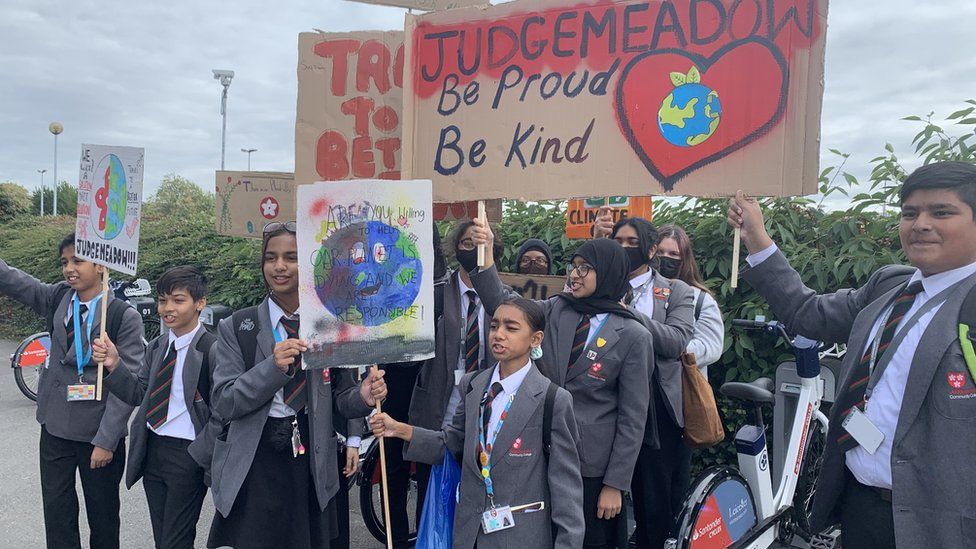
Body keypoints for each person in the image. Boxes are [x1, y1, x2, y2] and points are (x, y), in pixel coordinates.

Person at [727, 161, 976, 549]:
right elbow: (808, 314)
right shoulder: (889, 286)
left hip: (943, 526)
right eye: (910, 213)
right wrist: (756, 237)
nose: (921, 224)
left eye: (942, 212)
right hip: (862, 507)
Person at [469, 221, 653, 549]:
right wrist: (486, 260)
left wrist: (615, 484)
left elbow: (633, 418)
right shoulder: (556, 308)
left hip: (591, 466)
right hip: (541, 451)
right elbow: (505, 303)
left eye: (585, 268)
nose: (575, 275)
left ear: (608, 273)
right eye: (573, 266)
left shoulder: (634, 335)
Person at [206, 221, 388, 549]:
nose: (279, 266)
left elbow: (341, 400)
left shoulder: (329, 325)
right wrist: (272, 369)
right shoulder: (238, 326)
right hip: (255, 461)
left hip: (311, 459)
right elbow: (224, 401)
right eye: (271, 257)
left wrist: (362, 397)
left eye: (291, 257)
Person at [371, 297, 585, 548]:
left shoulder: (552, 400)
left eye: (511, 328)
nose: (499, 334)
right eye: (494, 326)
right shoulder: (473, 386)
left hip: (522, 537)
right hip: (469, 534)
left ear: (535, 339)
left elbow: (566, 490)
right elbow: (451, 444)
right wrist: (400, 429)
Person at [0, 233, 145, 549]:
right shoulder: (58, 297)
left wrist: (107, 441)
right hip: (54, 429)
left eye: (77, 260)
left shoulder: (122, 316)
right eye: (64, 262)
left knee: (103, 518)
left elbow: (128, 390)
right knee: (58, 514)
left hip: (97, 435)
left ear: (101, 265)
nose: (69, 269)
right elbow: (17, 282)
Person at [92, 265, 219, 549]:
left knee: (176, 540)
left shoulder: (212, 349)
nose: (167, 308)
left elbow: (222, 411)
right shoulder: (157, 346)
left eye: (178, 300)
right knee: (162, 538)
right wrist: (114, 363)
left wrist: (201, 452)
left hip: (189, 454)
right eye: (163, 300)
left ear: (200, 303)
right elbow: (139, 393)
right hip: (153, 449)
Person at [596, 215, 695, 549]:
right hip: (608, 402)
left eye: (632, 242)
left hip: (657, 410)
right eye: (618, 242)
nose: (624, 248)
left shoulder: (676, 291)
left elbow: (676, 341)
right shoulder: (600, 284)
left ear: (651, 250)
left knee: (655, 502)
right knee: (602, 497)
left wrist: (629, 313)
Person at [407, 220, 504, 513]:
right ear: (455, 249)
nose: (472, 249)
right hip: (441, 411)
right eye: (466, 243)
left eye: (480, 243)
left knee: (480, 499)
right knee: (434, 504)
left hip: (486, 414)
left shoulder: (505, 301)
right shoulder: (433, 295)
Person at [379, 224, 449, 547]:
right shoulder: (384, 277)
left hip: (430, 385)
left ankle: (425, 539)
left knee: (426, 469)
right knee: (391, 468)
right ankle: (395, 540)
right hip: (391, 384)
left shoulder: (446, 284)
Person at [656, 224, 725, 376]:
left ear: (684, 259)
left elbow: (711, 346)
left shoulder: (701, 300)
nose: (665, 258)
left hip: (682, 382)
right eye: (660, 252)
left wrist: (666, 349)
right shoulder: (636, 292)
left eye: (673, 254)